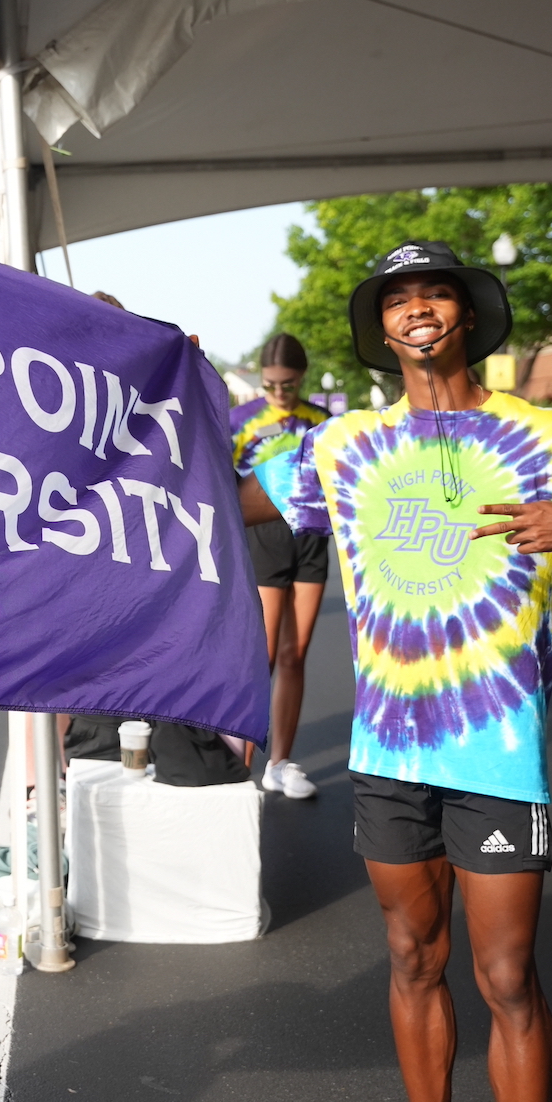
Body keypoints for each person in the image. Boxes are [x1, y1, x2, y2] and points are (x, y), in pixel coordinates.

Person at [239, 242, 552, 1102]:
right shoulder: (340, 445)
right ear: (381, 329)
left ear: (467, 314)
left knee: (508, 976)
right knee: (412, 956)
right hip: (387, 755)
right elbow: (218, 497)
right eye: (397, 299)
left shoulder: (551, 440)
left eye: (435, 292)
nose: (417, 309)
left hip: (497, 756)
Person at [229, 332, 331, 800]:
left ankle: (280, 763)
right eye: (271, 385)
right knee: (263, 654)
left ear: (301, 378)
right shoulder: (240, 422)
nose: (279, 393)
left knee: (295, 652)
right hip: (263, 536)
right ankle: (238, 768)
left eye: (287, 385)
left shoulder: (324, 422)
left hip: (310, 539)